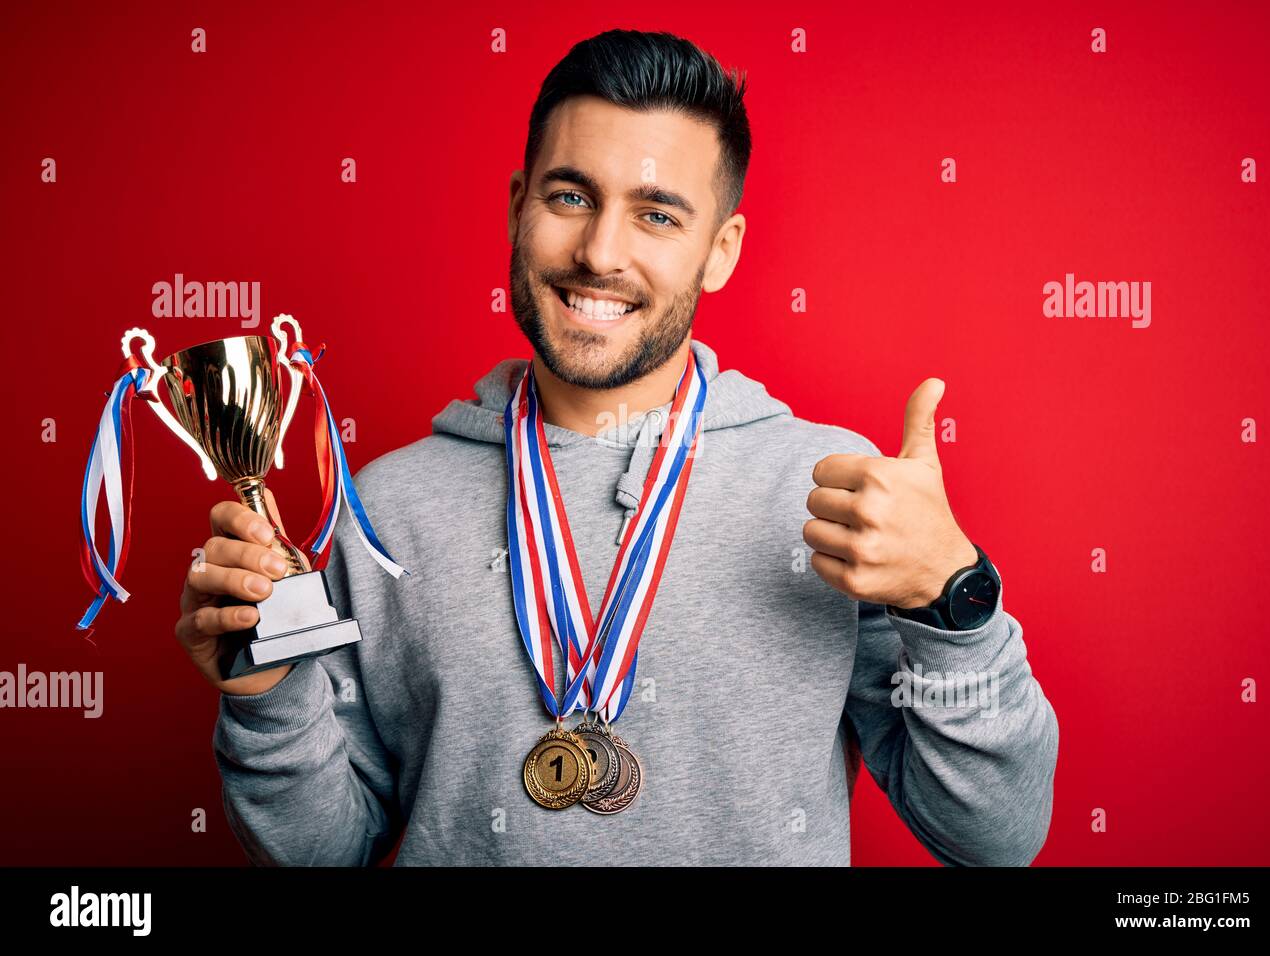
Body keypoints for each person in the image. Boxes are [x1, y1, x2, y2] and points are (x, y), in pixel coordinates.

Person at [175, 29, 1059, 866]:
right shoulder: (384, 509)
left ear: (721, 251)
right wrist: (268, 693)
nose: (600, 252)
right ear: (518, 207)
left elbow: (995, 839)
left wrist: (955, 601)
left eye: (657, 216)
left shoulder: (830, 492)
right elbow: (324, 853)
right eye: (571, 197)